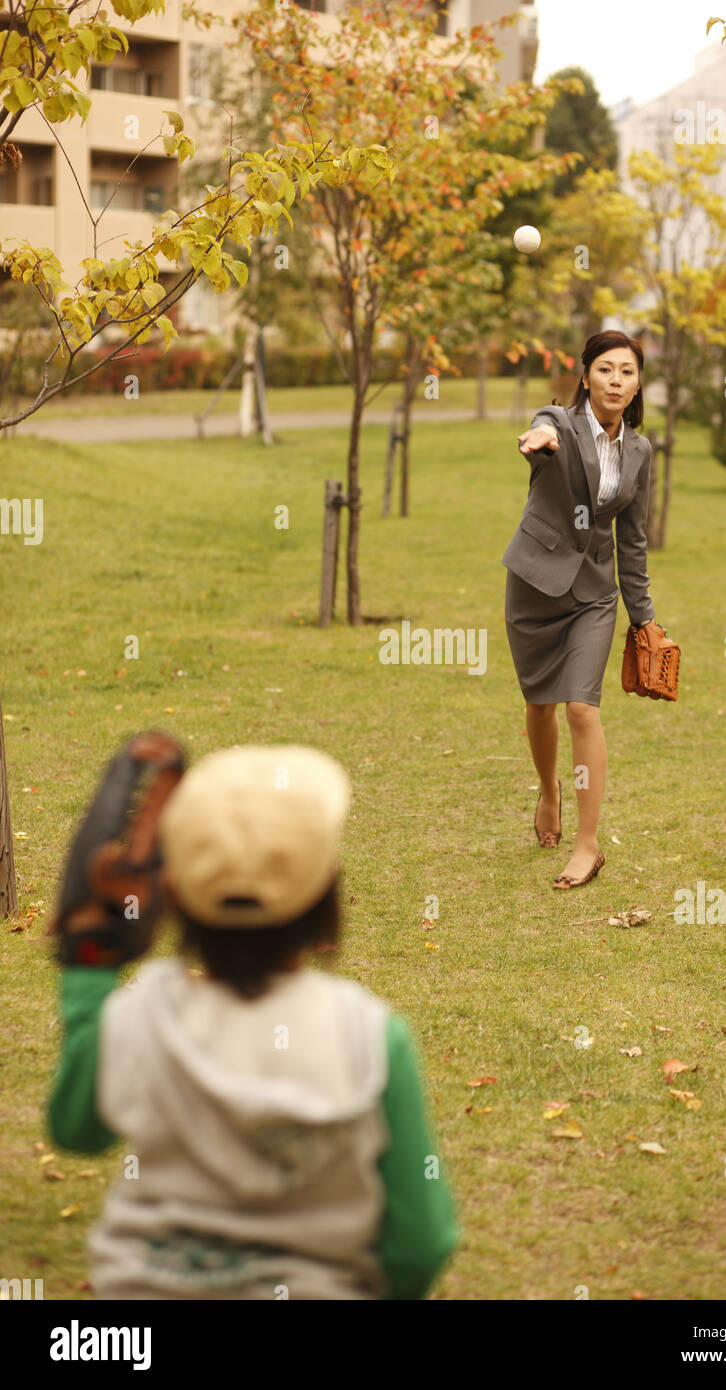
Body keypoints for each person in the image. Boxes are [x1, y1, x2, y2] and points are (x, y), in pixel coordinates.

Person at [47, 739, 458, 1299]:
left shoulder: (138, 1014)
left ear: (172, 892)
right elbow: (422, 1243)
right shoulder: (369, 1035)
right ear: (326, 894)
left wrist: (88, 962)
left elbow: (77, 1130)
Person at [501, 329, 664, 891]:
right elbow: (547, 417)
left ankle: (588, 845)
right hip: (535, 586)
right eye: (605, 370)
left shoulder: (640, 450)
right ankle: (549, 791)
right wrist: (539, 432)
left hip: (595, 593)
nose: (616, 381)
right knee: (539, 704)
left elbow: (635, 540)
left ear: (638, 381)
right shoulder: (560, 429)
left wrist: (641, 617)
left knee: (581, 710)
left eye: (627, 371)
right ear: (586, 375)